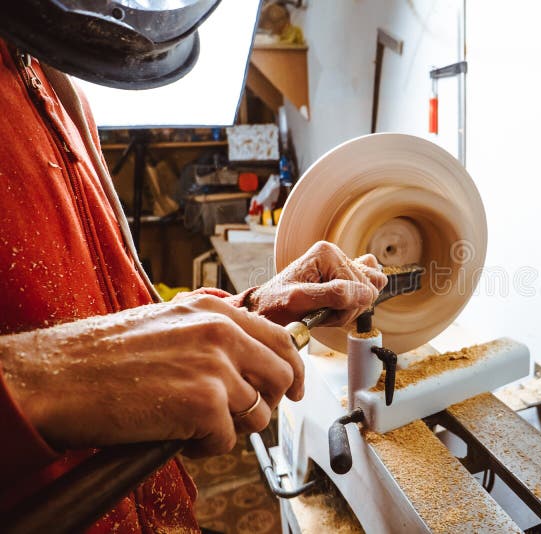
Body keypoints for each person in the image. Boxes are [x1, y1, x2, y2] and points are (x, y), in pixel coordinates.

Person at [0, 2, 386, 532]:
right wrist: (39, 380)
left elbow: (117, 327)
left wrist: (251, 312)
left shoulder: (55, 77)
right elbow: (91, 358)